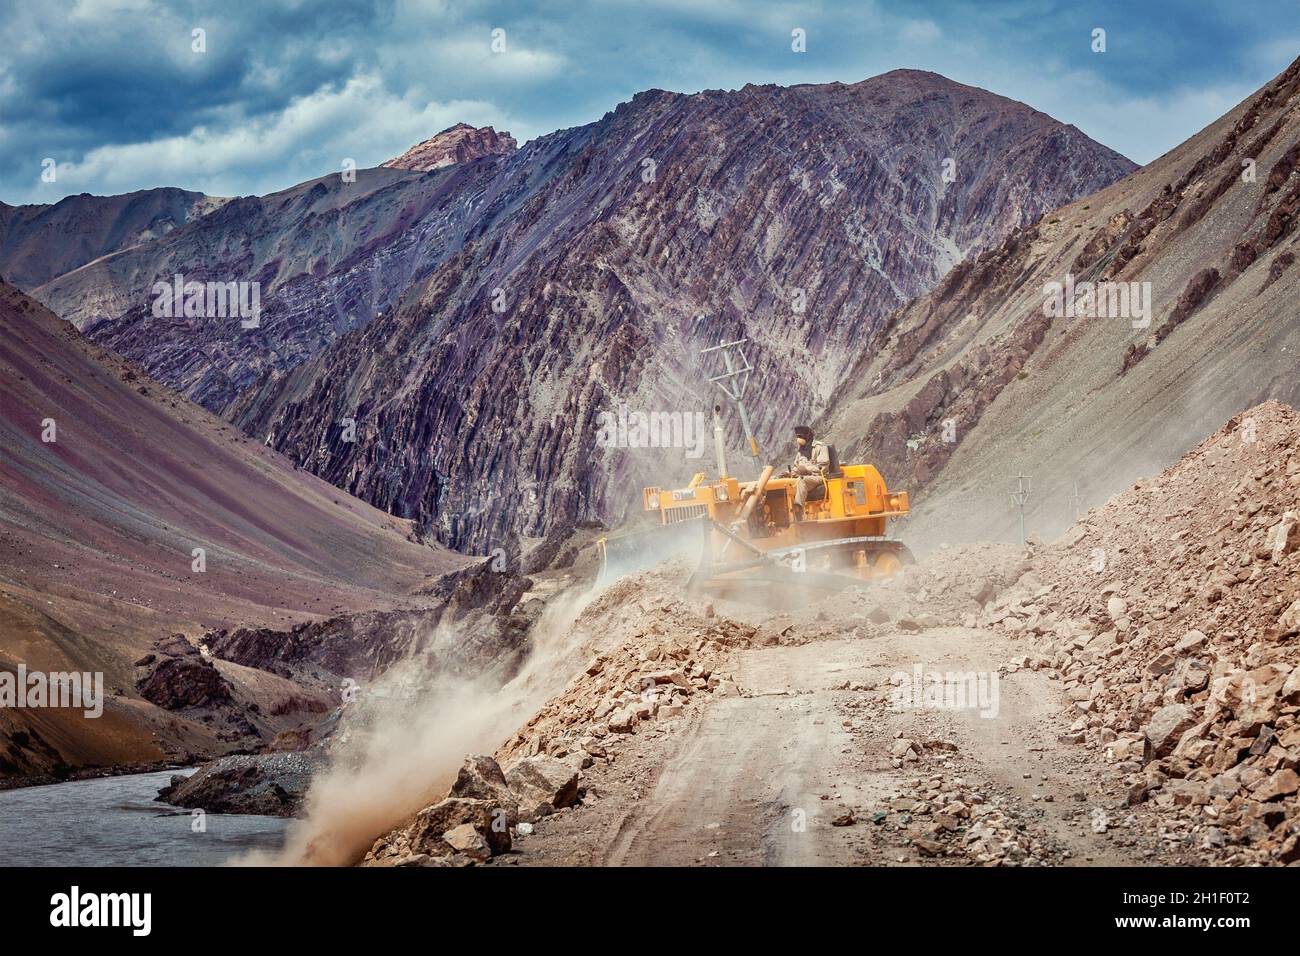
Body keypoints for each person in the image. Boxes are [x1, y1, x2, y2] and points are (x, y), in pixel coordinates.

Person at [787, 425, 829, 520]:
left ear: (807, 436)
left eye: (801, 436)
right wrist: (790, 473)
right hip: (802, 477)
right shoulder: (800, 451)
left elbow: (822, 467)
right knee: (786, 485)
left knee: (802, 481)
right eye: (798, 437)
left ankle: (798, 509)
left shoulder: (820, 447)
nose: (799, 439)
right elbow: (796, 467)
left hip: (819, 477)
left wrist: (806, 469)